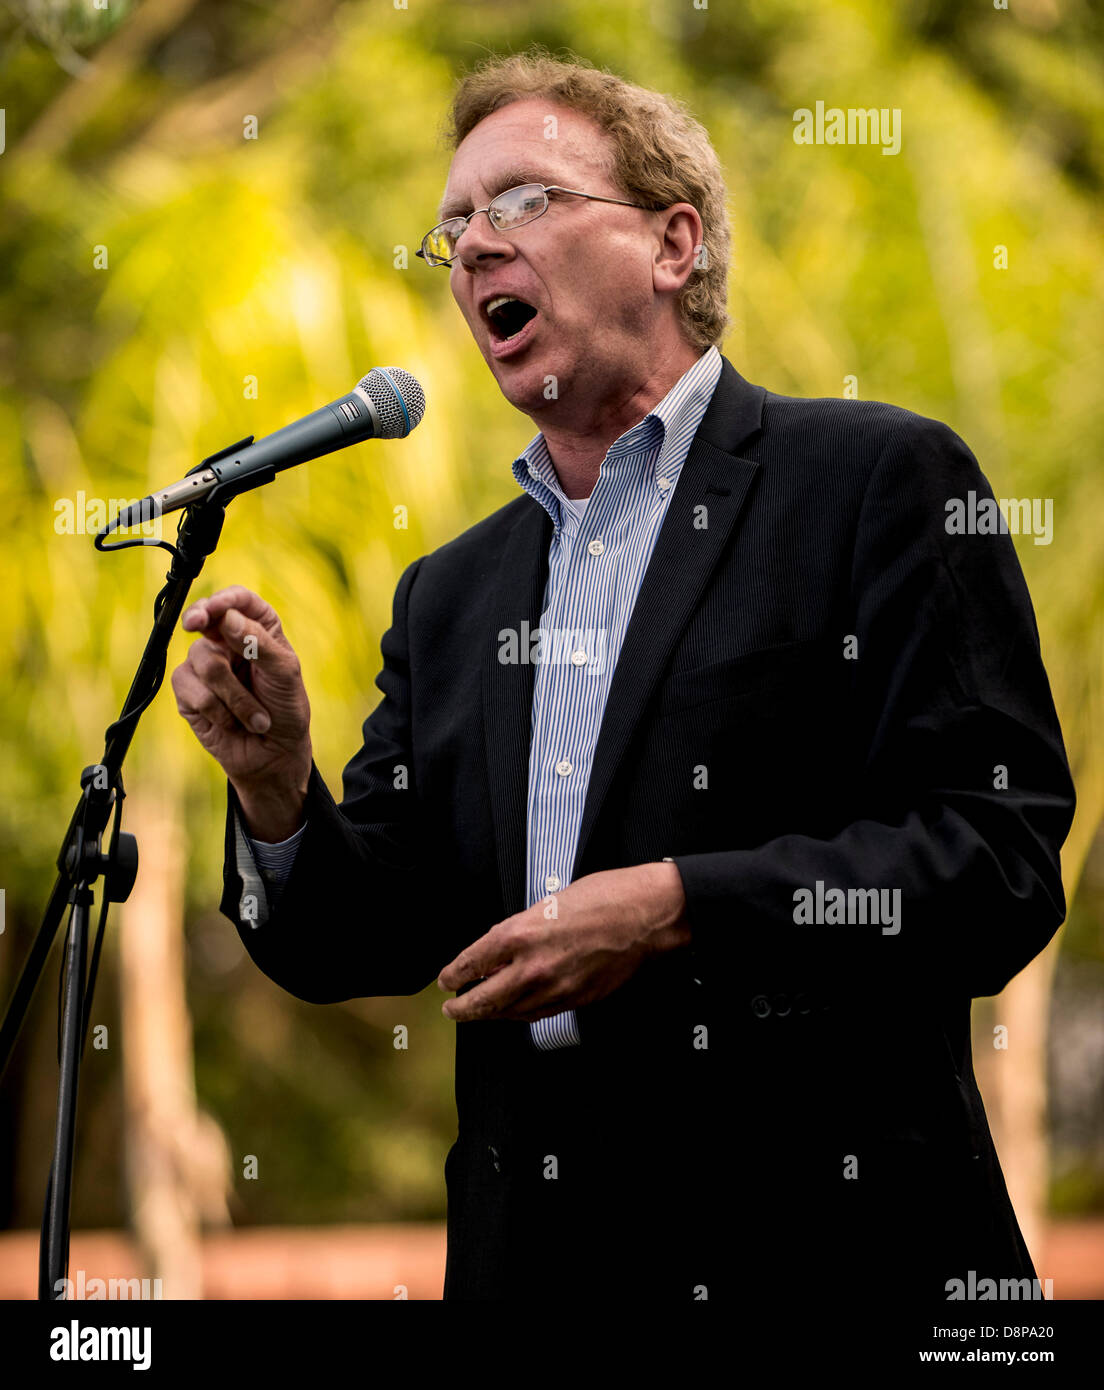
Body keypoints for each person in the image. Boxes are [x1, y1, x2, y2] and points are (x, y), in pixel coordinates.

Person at [171, 50, 1075, 1303]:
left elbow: (996, 861)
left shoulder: (874, 482)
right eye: (452, 227)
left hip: (823, 1254)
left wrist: (679, 904)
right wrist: (276, 788)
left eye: (524, 200)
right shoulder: (452, 596)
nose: (474, 243)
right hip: (535, 1272)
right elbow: (359, 933)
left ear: (674, 243)